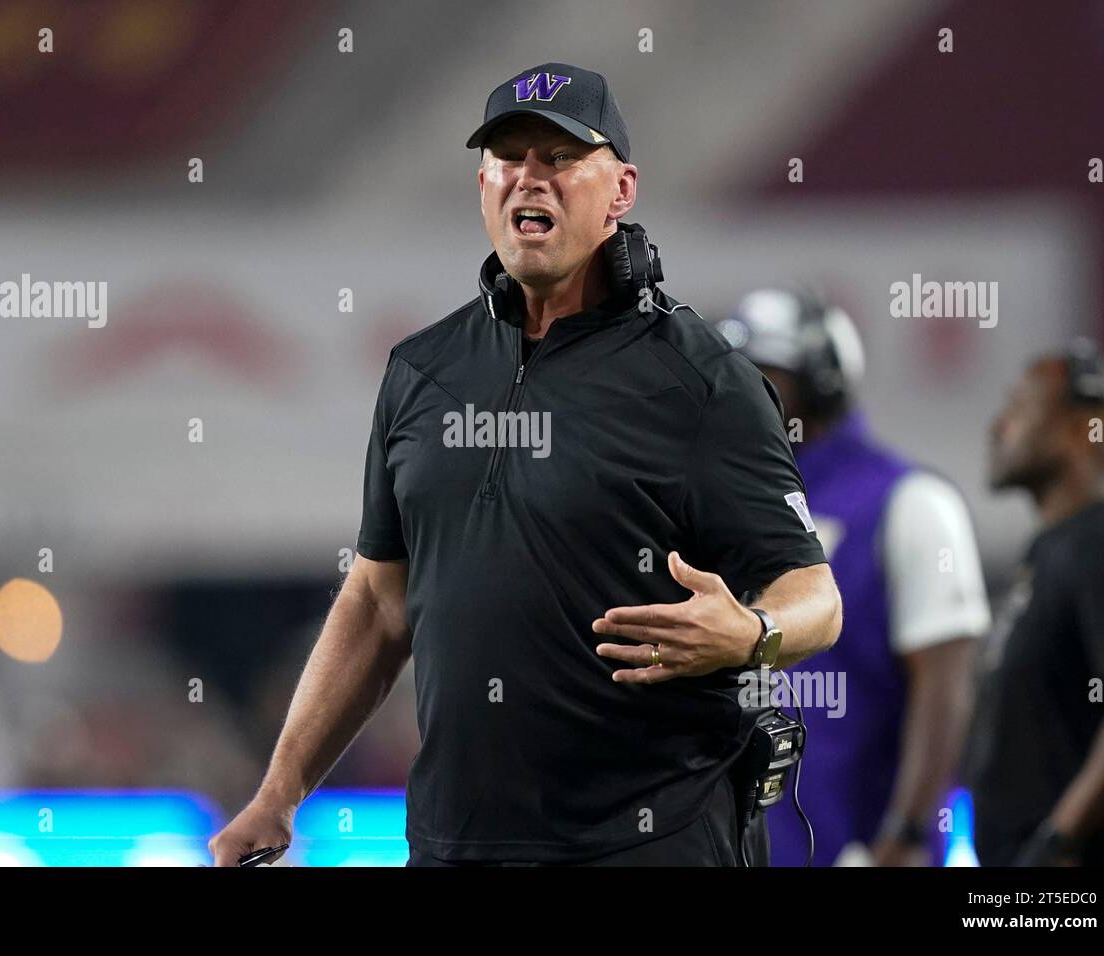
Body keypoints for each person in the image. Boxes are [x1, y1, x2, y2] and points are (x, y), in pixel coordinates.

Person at [209, 62, 841, 867]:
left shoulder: (702, 381)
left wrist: (752, 633)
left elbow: (814, 597)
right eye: (510, 159)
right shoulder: (423, 372)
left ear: (621, 189)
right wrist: (279, 793)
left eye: (560, 158)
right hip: (456, 845)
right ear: (482, 185)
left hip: (648, 843)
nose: (529, 179)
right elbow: (377, 602)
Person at [720, 289, 991, 866]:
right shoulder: (717, 504)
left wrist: (907, 834)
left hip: (858, 845)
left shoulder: (910, 502)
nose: (746, 395)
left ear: (823, 384)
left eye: (767, 376)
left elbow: (944, 686)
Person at [963, 342, 1104, 866]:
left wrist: (1061, 836)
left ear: (1077, 429)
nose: (999, 427)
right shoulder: (1054, 551)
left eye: (1019, 408)